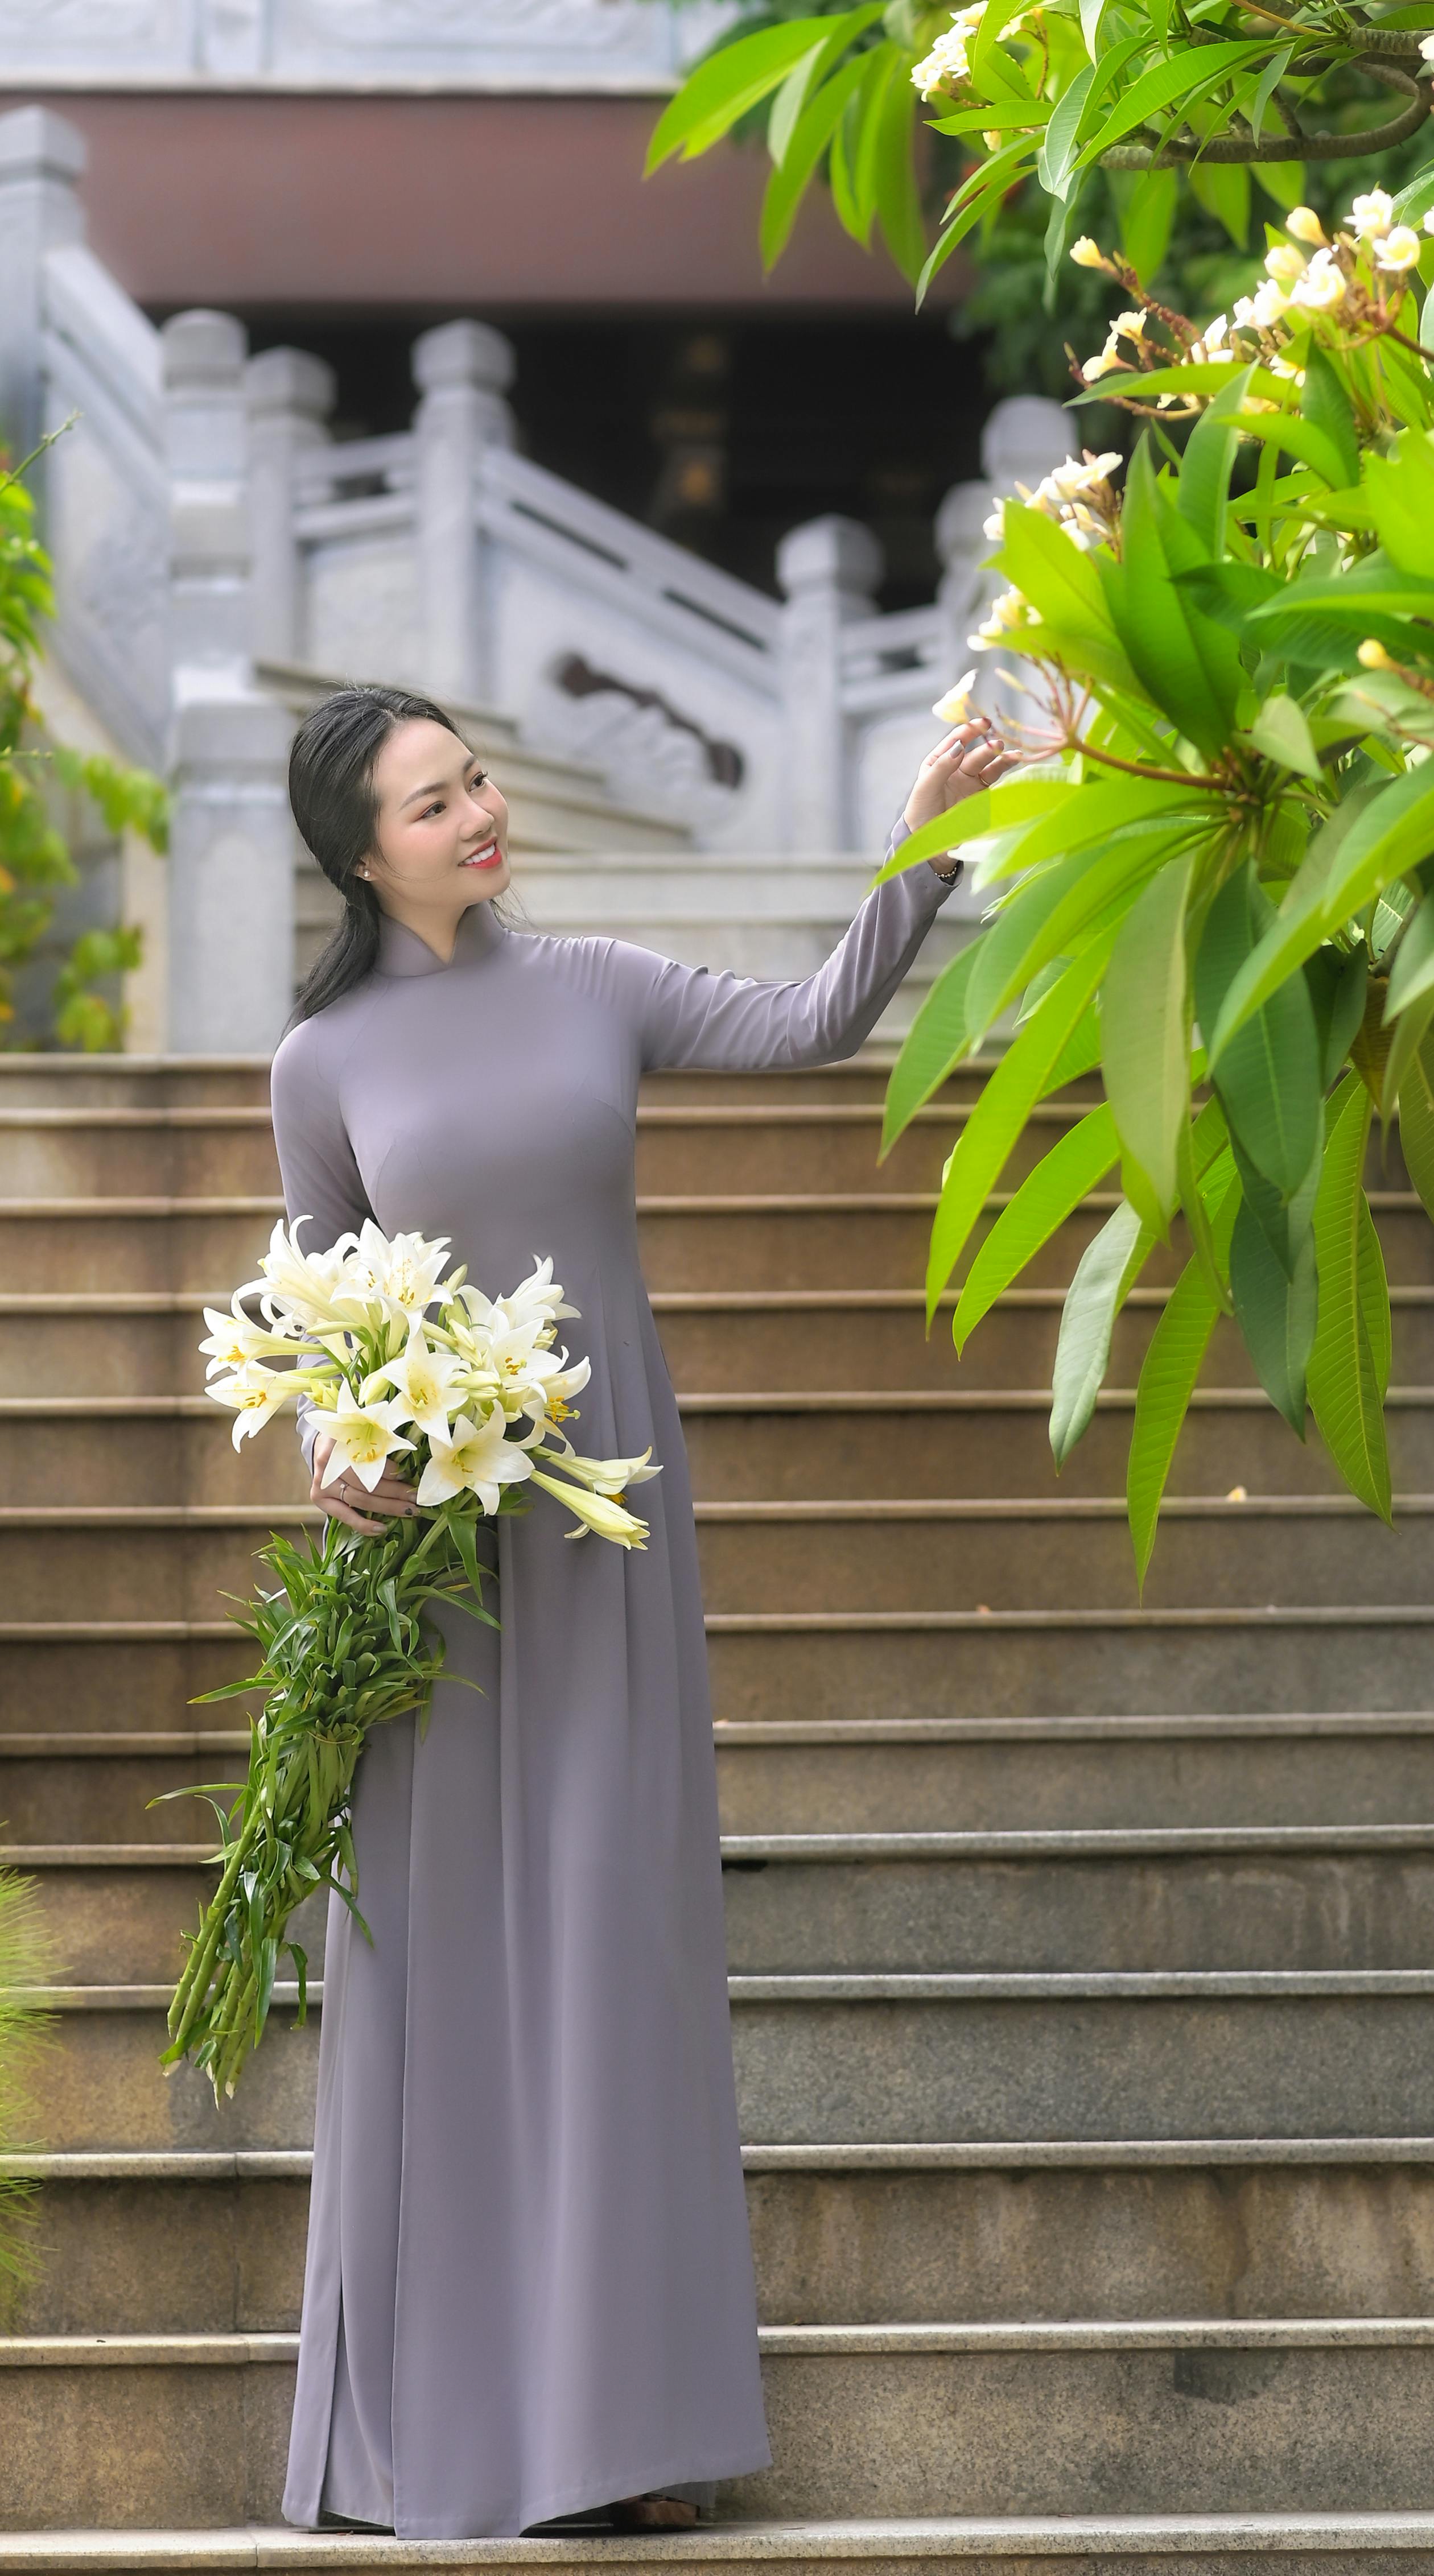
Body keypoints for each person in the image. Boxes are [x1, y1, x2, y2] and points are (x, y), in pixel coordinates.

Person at [270, 684, 1011, 2542]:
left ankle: (609, 2435)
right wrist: (328, 1459)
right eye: (435, 803)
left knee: (612, 1942)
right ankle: (437, 2432)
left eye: (479, 779)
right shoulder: (326, 1063)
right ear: (364, 854)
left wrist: (921, 834)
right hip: (439, 1561)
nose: (480, 814)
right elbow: (309, 1322)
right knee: (441, 1962)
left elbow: (817, 1021)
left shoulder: (595, 983)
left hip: (604, 1529)